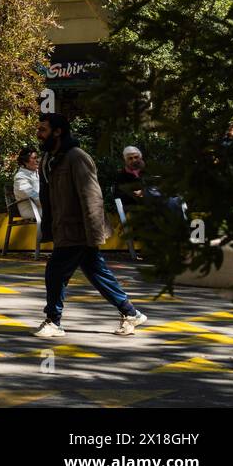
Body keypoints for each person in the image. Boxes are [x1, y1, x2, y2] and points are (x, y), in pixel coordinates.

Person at [33, 113, 148, 337]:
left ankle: (53, 321)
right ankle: (130, 312)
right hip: (64, 228)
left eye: (43, 129)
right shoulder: (49, 159)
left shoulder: (77, 157)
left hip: (78, 229)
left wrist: (94, 233)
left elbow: (92, 197)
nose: (39, 133)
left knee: (55, 271)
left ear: (58, 132)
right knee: (97, 272)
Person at [11, 146, 41, 221]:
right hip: (31, 210)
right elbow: (32, 195)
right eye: (34, 158)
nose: (37, 160)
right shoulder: (20, 177)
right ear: (25, 161)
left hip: (42, 207)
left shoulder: (37, 173)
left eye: (37, 157)